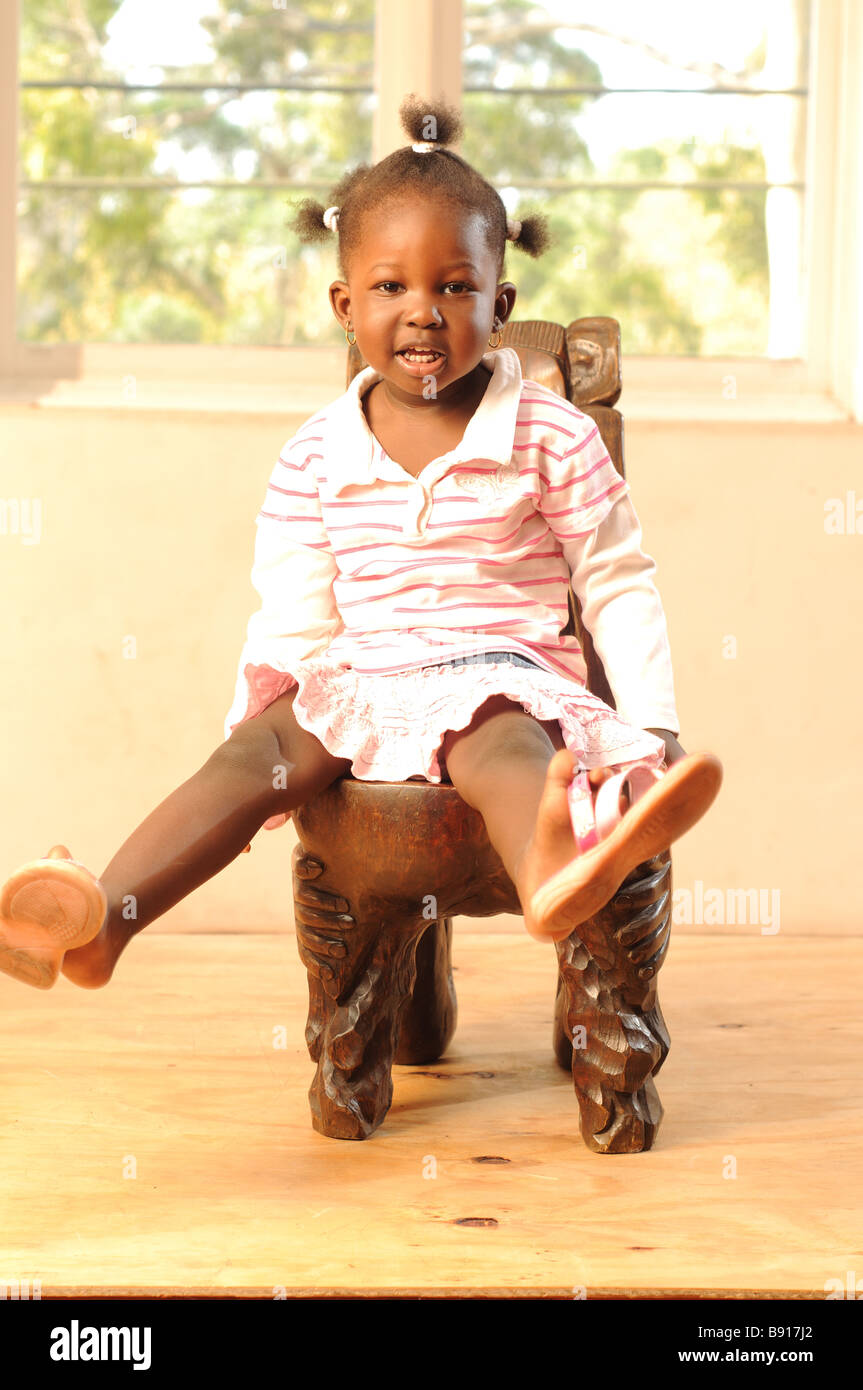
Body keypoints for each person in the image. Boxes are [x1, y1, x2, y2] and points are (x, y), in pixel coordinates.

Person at [0, 94, 721, 994]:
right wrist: (269, 716)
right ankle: (105, 920)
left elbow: (614, 579)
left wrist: (651, 724)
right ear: (346, 304)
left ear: (499, 303)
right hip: (361, 673)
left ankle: (554, 877)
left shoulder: (549, 434)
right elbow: (292, 609)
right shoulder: (314, 451)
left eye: (454, 287)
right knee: (244, 762)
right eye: (391, 287)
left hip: (502, 667)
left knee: (504, 752)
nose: (423, 312)